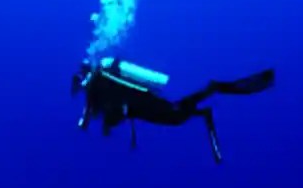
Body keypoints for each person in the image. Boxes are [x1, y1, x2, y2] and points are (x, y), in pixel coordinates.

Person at [72, 56, 275, 163]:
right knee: (176, 115)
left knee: (176, 115)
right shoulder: (99, 86)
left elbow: (96, 115)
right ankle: (207, 98)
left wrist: (94, 121)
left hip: (142, 101)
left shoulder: (97, 83)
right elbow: (113, 113)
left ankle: (212, 90)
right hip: (141, 105)